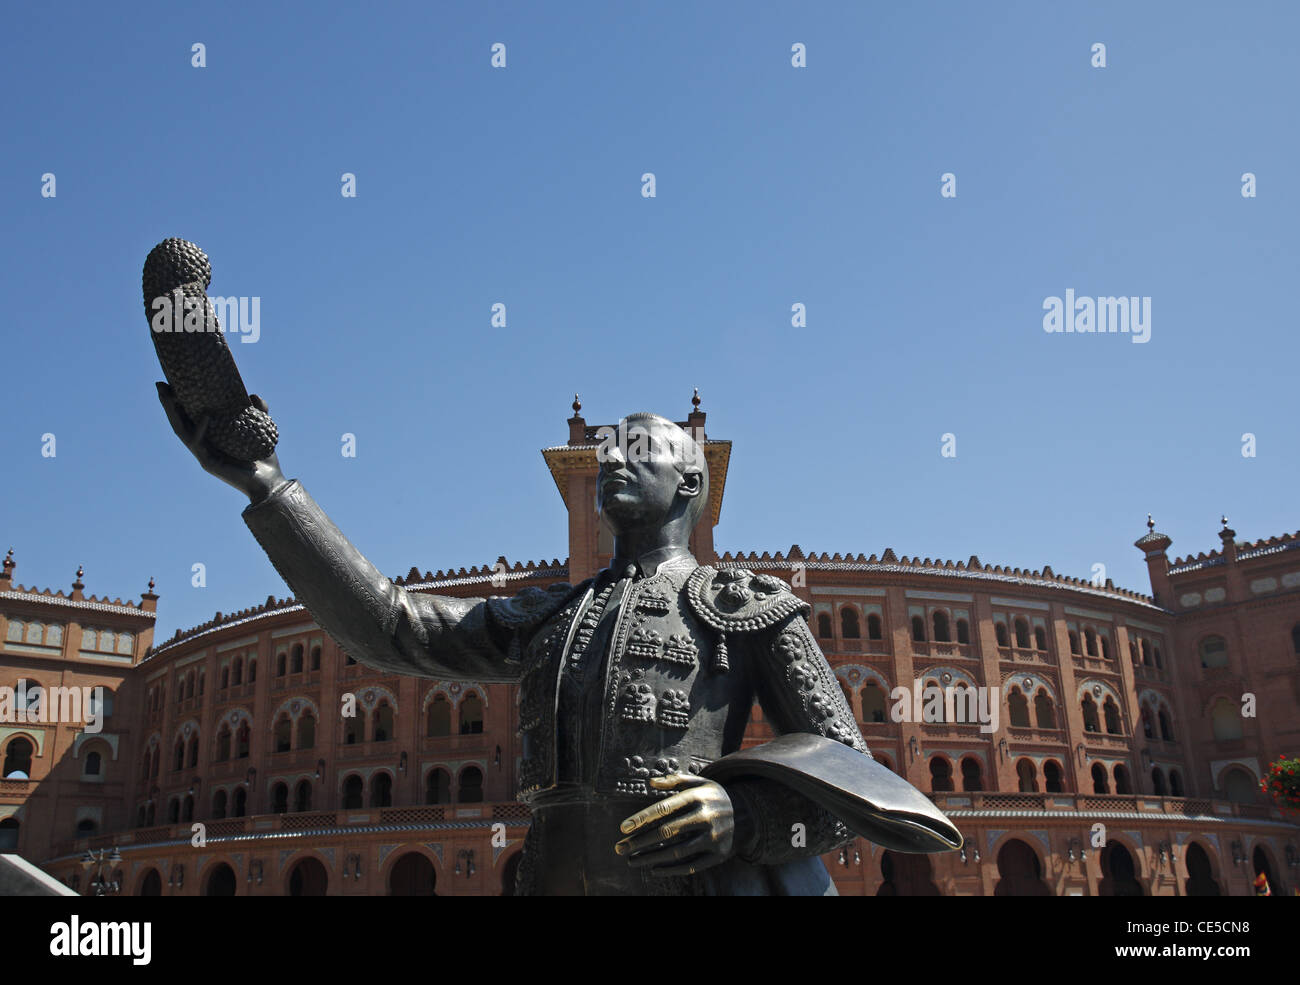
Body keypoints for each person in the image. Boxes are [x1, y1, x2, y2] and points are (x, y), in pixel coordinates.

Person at [158, 388, 959, 894]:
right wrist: (264, 482)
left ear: (693, 483)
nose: (615, 458)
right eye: (606, 451)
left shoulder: (743, 605)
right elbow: (390, 626)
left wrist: (741, 816)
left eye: (642, 451)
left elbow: (850, 784)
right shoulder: (549, 616)